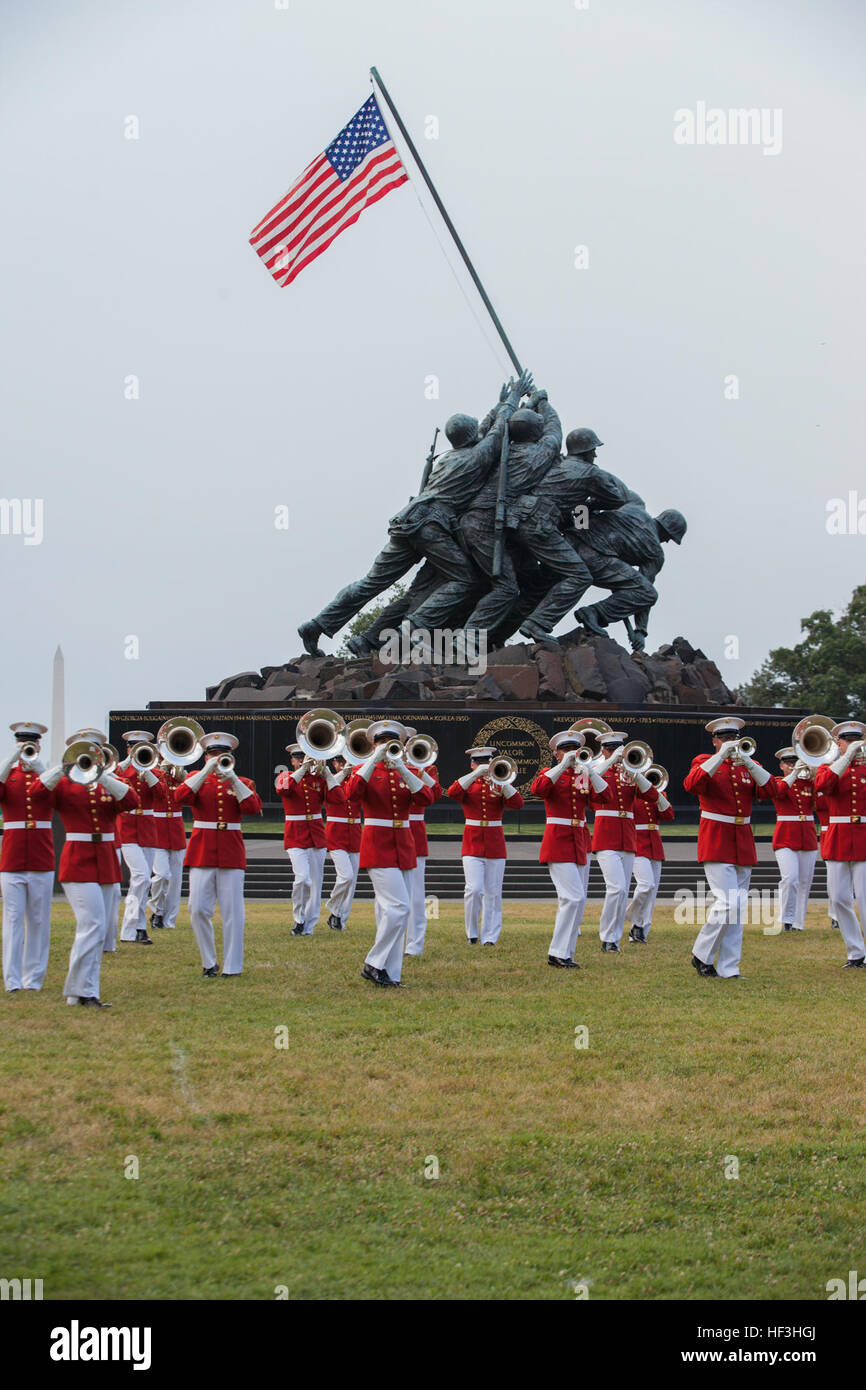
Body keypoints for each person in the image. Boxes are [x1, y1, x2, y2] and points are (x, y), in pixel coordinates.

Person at [297, 373, 530, 657]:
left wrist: (499, 404)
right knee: (465, 580)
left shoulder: (449, 458)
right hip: (431, 526)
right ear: (473, 438)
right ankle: (412, 628)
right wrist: (513, 398)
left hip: (406, 521)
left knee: (372, 582)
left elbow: (483, 432)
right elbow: (495, 434)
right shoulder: (476, 458)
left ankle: (319, 623)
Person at [39, 741, 140, 1007]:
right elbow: (37, 793)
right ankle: (78, 990)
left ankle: (86, 991)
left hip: (105, 860)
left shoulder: (107, 783)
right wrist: (61, 769)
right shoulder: (65, 784)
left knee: (100, 927)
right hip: (78, 860)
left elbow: (132, 801)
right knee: (92, 924)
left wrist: (105, 776)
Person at [346, 720, 434, 987]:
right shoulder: (364, 770)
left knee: (397, 913)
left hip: (404, 845)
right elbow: (351, 794)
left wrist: (404, 769)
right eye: (382, 742)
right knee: (398, 908)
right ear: (374, 745)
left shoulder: (406, 771)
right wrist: (374, 760)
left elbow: (427, 798)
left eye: (392, 742)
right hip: (378, 844)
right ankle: (374, 963)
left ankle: (391, 974)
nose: (387, 747)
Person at [684, 717, 774, 979]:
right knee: (726, 901)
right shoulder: (704, 761)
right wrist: (721, 755)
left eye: (733, 738)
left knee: (738, 907)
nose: (729, 742)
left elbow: (771, 790)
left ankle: (729, 967)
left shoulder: (749, 764)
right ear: (714, 741)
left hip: (742, 837)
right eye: (723, 738)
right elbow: (692, 784)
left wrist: (748, 762)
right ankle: (702, 954)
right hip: (716, 836)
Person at [173, 733, 262, 977]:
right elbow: (180, 797)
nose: (216, 758)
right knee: (198, 908)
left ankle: (233, 966)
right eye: (212, 754)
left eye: (221, 755)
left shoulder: (243, 781)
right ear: (205, 756)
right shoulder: (195, 779)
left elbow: (253, 808)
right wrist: (205, 771)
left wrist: (232, 777)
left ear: (230, 757)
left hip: (231, 849)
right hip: (202, 850)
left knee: (233, 911)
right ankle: (209, 961)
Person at [531, 732, 611, 967]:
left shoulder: (582, 776)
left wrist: (592, 771)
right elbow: (539, 789)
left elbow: (605, 797)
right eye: (566, 750)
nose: (572, 754)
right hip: (558, 841)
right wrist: (563, 765)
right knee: (572, 897)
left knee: (578, 899)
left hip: (580, 841)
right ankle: (557, 952)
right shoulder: (550, 774)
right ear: (557, 754)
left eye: (574, 750)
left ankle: (566, 953)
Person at [574, 503, 687, 652]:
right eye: (670, 538)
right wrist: (641, 631)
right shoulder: (656, 553)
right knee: (648, 593)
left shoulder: (633, 507)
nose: (666, 541)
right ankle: (594, 612)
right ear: (667, 531)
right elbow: (643, 592)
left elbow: (594, 507)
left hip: (574, 541)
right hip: (595, 559)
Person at [446, 746, 525, 946]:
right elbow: (453, 793)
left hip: (495, 843)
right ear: (472, 764)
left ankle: (490, 936)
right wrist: (475, 774)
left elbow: (518, 803)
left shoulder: (498, 784)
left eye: (486, 762)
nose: (482, 765)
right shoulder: (468, 783)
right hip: (472, 843)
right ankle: (472, 933)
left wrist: (503, 783)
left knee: (493, 892)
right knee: (473, 889)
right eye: (478, 761)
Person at [590, 731, 659, 952]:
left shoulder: (629, 772)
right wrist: (610, 761)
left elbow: (652, 796)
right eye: (611, 748)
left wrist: (635, 772)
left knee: (624, 889)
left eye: (619, 748)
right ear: (604, 750)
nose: (617, 752)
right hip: (606, 836)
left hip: (628, 837)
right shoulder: (597, 770)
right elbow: (586, 784)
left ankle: (615, 938)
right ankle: (608, 937)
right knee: (616, 888)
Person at [0, 722, 54, 993]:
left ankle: (33, 979)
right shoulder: (8, 775)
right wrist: (10, 758)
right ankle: (12, 981)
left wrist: (42, 769)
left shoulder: (44, 775)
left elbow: (60, 792)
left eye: (31, 743)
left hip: (41, 858)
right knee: (12, 920)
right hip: (12, 859)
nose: (27, 747)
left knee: (38, 920)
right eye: (22, 743)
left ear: (39, 745)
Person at [814, 721, 866, 967]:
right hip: (838, 837)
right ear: (839, 743)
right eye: (847, 741)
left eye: (856, 740)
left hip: (864, 836)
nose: (852, 745)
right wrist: (846, 758)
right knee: (839, 898)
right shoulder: (828, 767)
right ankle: (855, 952)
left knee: (865, 899)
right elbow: (822, 785)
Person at [276, 744, 331, 936]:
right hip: (296, 836)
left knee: (316, 884)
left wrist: (328, 775)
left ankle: (308, 926)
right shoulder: (285, 776)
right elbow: (283, 789)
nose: (302, 760)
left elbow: (338, 799)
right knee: (302, 879)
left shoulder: (318, 779)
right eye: (298, 758)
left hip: (316, 835)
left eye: (306, 757)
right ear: (292, 760)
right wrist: (302, 769)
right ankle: (299, 918)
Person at [116, 731, 161, 946]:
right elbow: (111, 777)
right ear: (128, 749)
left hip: (148, 830)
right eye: (133, 748)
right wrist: (128, 761)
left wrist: (149, 771)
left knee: (142, 880)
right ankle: (130, 928)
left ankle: (138, 928)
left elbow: (163, 795)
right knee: (142, 877)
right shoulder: (121, 769)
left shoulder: (153, 770)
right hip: (126, 828)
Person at [770, 747, 818, 933]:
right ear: (782, 766)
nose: (792, 765)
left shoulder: (808, 784)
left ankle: (798, 922)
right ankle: (787, 918)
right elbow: (779, 792)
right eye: (788, 763)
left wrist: (814, 773)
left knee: (805, 881)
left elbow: (820, 800)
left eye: (795, 762)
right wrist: (795, 772)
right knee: (790, 879)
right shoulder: (779, 781)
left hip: (807, 835)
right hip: (785, 836)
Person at [403, 734, 442, 958]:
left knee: (417, 895)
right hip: (391, 830)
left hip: (415, 833)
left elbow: (435, 793)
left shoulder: (428, 768)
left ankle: (414, 945)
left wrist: (419, 770)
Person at [626, 773, 675, 943]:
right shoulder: (630, 793)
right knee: (646, 885)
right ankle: (632, 918)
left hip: (655, 844)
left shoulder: (659, 794)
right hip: (637, 842)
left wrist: (659, 795)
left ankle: (640, 930)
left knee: (652, 892)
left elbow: (668, 815)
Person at [149, 761, 188, 931]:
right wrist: (160, 770)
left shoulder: (179, 776)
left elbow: (186, 793)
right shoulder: (153, 774)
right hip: (157, 830)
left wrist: (182, 773)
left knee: (176, 880)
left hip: (176, 830)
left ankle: (170, 919)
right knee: (162, 874)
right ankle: (157, 911)